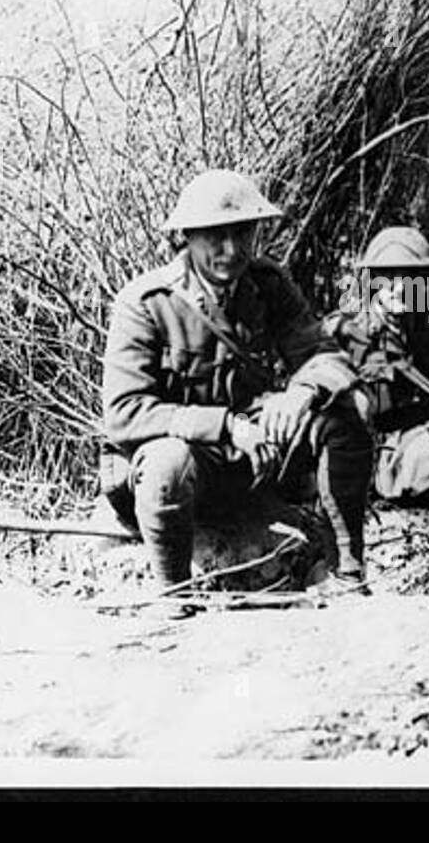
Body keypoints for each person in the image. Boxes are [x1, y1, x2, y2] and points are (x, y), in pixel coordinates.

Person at [99, 169, 373, 589]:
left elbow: (326, 357)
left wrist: (300, 392)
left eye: (243, 234)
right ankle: (173, 594)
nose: (232, 250)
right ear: (187, 237)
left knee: (343, 416)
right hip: (192, 464)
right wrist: (227, 427)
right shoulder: (146, 304)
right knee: (168, 462)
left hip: (254, 460)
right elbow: (124, 414)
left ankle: (349, 575)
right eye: (216, 237)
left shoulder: (267, 286)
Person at [322, 226, 429, 503]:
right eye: (388, 278)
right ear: (371, 281)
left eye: (409, 278)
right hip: (373, 446)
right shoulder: (347, 330)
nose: (399, 288)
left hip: (425, 425)